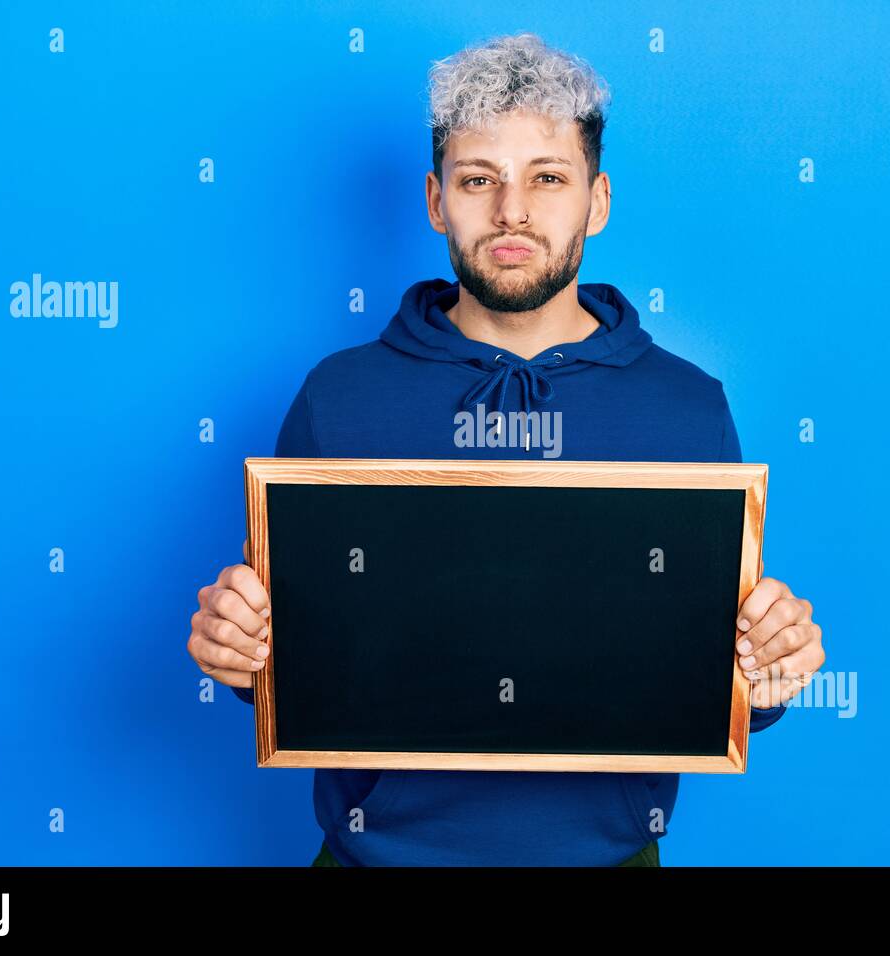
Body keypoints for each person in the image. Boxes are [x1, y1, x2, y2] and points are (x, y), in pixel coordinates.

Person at [186, 32, 825, 866]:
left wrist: (772, 667)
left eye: (546, 179)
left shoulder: (686, 410)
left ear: (596, 200)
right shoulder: (338, 400)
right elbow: (283, 662)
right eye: (478, 179)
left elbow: (724, 678)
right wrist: (236, 651)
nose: (512, 212)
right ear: (434, 199)